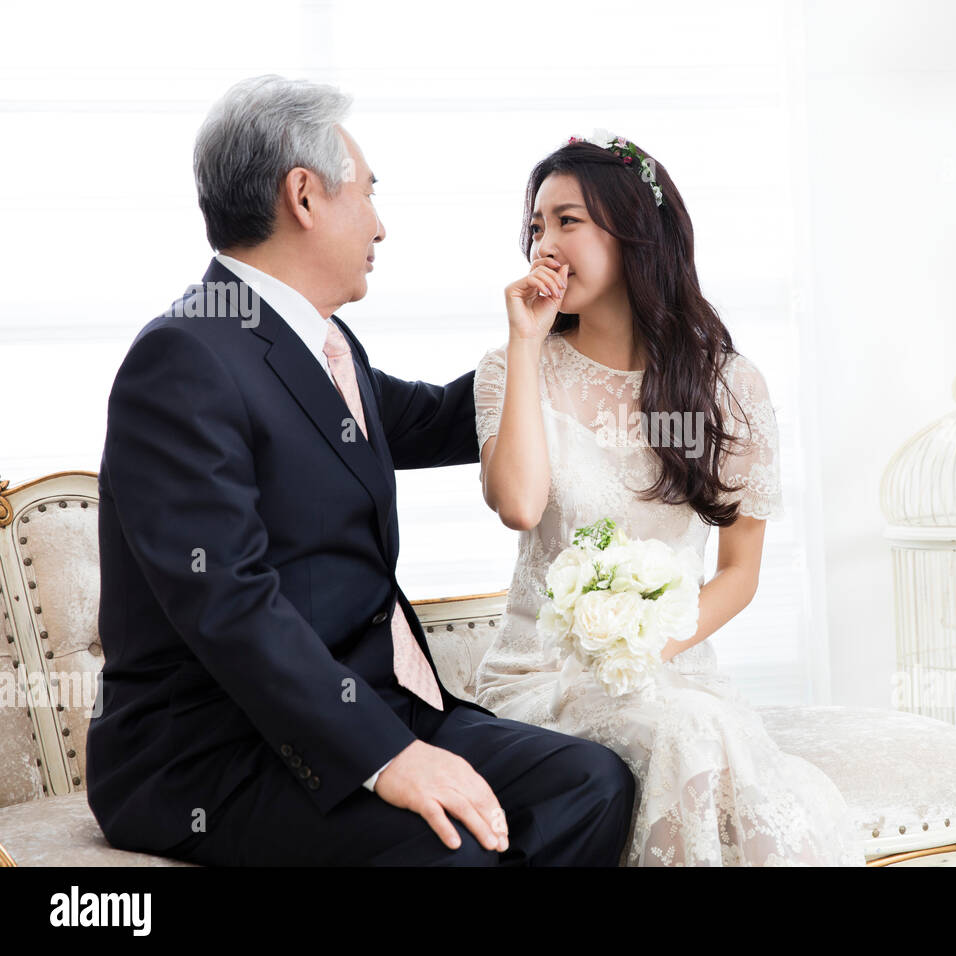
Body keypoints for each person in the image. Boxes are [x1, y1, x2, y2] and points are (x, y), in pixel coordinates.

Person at [85, 76, 635, 866]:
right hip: (215, 751)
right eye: (369, 194)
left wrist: (549, 334)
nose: (382, 223)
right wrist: (388, 758)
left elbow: (446, 416)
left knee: (593, 782)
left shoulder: (322, 343)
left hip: (379, 702)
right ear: (303, 196)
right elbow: (229, 603)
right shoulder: (184, 358)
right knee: (459, 848)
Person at [472, 133, 865, 866]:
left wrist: (642, 650)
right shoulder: (510, 368)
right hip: (538, 680)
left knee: (695, 734)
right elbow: (520, 505)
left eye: (568, 221)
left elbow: (738, 573)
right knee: (687, 734)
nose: (544, 248)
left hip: (673, 673)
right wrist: (525, 343)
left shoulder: (726, 387)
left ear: (633, 231)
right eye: (535, 226)